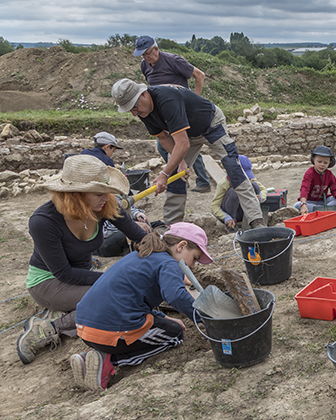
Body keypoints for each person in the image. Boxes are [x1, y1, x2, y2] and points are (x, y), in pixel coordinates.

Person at [17, 155, 148, 364]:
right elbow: (64, 273)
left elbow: (139, 235)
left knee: (124, 293)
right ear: (75, 195)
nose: (106, 198)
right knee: (113, 297)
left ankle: (67, 311)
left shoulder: (104, 204)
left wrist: (169, 253)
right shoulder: (43, 221)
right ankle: (48, 328)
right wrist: (111, 278)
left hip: (81, 276)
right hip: (49, 282)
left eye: (107, 191)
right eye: (98, 194)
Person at [71, 222, 213, 391]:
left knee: (164, 322)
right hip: (107, 332)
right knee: (175, 334)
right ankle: (109, 360)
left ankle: (96, 356)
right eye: (195, 258)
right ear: (181, 246)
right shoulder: (169, 263)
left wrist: (162, 316)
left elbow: (131, 298)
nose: (193, 266)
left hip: (85, 327)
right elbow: (175, 295)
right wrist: (206, 319)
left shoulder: (143, 254)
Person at [111, 78, 265, 228]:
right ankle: (172, 227)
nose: (134, 113)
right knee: (175, 176)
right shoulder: (143, 112)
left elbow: (182, 143)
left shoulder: (167, 99)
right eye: (130, 110)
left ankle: (256, 220)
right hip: (187, 134)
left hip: (211, 125)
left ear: (143, 94)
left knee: (233, 168)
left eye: (134, 107)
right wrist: (180, 163)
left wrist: (163, 174)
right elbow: (163, 137)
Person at [134, 35, 212, 193]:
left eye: (148, 53)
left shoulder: (173, 60)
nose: (146, 57)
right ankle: (181, 174)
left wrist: (196, 101)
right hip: (162, 112)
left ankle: (203, 181)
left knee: (183, 145)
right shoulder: (145, 65)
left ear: (156, 48)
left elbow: (199, 75)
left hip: (180, 110)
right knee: (164, 146)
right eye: (142, 55)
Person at [79, 132, 156, 257]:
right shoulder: (105, 162)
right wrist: (134, 225)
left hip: (115, 224)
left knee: (149, 226)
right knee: (131, 234)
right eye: (112, 150)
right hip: (105, 239)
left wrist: (136, 214)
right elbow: (112, 221)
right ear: (107, 147)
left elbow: (121, 203)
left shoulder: (84, 154)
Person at [211, 155, 267, 230]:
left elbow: (263, 189)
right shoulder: (224, 184)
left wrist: (261, 197)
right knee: (233, 191)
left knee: (254, 185)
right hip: (229, 213)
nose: (246, 179)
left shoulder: (249, 179)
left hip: (243, 212)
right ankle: (232, 225)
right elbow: (214, 206)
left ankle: (254, 220)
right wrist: (226, 218)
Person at [293, 145, 336, 214]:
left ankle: (320, 211)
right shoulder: (309, 173)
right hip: (310, 202)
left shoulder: (329, 174)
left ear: (330, 162)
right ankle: (326, 211)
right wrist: (303, 204)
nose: (322, 165)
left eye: (325, 163)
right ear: (313, 159)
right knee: (296, 206)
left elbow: (334, 188)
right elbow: (305, 188)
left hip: (324, 201)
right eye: (319, 161)